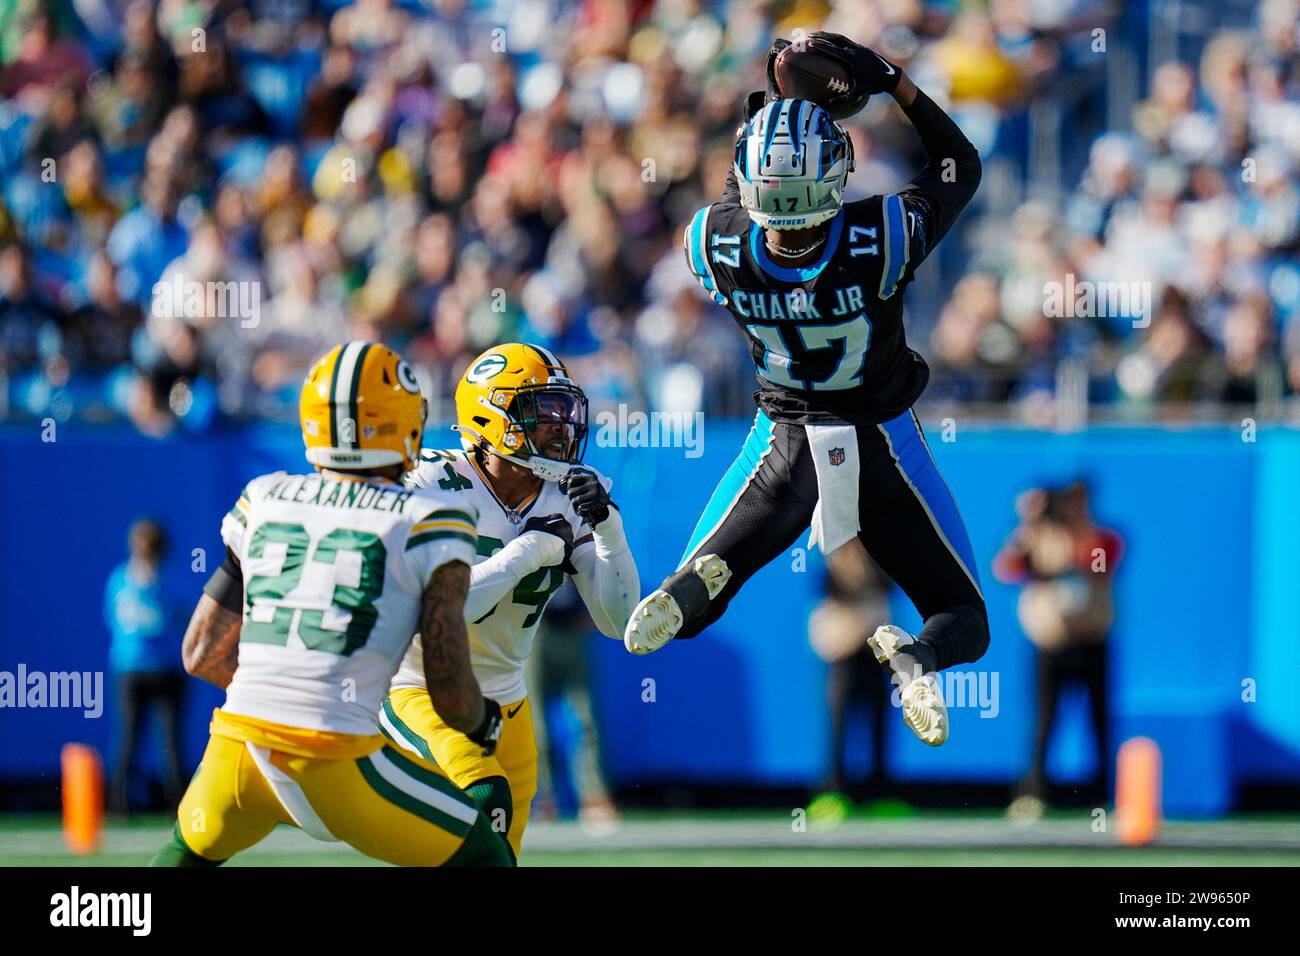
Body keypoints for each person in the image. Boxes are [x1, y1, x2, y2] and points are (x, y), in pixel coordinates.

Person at [625, 33, 988, 747]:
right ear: (837, 174)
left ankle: (680, 591)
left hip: (784, 444)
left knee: (704, 585)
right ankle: (916, 656)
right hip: (883, 442)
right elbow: (958, 166)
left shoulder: (711, 245)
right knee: (962, 617)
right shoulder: (879, 236)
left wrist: (770, 110)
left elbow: (740, 187)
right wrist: (893, 82)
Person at [151, 341, 510, 867]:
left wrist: (280, 689)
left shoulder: (265, 497)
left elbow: (200, 652)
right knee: (487, 856)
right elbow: (451, 693)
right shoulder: (432, 521)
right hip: (337, 758)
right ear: (405, 424)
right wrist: (486, 723)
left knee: (183, 856)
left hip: (237, 750)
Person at [382, 343, 638, 859]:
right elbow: (434, 617)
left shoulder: (568, 491)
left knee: (496, 855)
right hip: (419, 687)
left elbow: (616, 621)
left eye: (564, 409)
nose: (560, 425)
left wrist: (610, 530)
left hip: (509, 701)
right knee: (482, 797)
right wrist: (526, 554)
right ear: (489, 414)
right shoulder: (431, 482)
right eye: (541, 411)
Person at [994, 481, 1123, 817]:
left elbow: (1098, 564)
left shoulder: (1102, 537)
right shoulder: (1036, 538)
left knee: (1099, 721)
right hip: (1050, 643)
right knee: (1044, 721)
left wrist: (1077, 527)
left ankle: (1102, 795)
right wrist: (1029, 522)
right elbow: (1006, 568)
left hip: (1092, 641)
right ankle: (1033, 792)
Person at [807, 541, 894, 819]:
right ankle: (833, 792)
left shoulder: (882, 545)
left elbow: (887, 583)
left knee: (879, 721)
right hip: (842, 645)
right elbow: (833, 586)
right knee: (839, 725)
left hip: (876, 647)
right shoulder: (832, 546)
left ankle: (879, 794)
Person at [104, 518, 186, 814]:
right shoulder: (170, 580)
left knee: (130, 738)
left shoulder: (118, 579)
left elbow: (111, 619)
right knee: (169, 742)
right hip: (162, 667)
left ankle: (118, 804)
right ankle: (177, 805)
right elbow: (185, 618)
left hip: (131, 668)